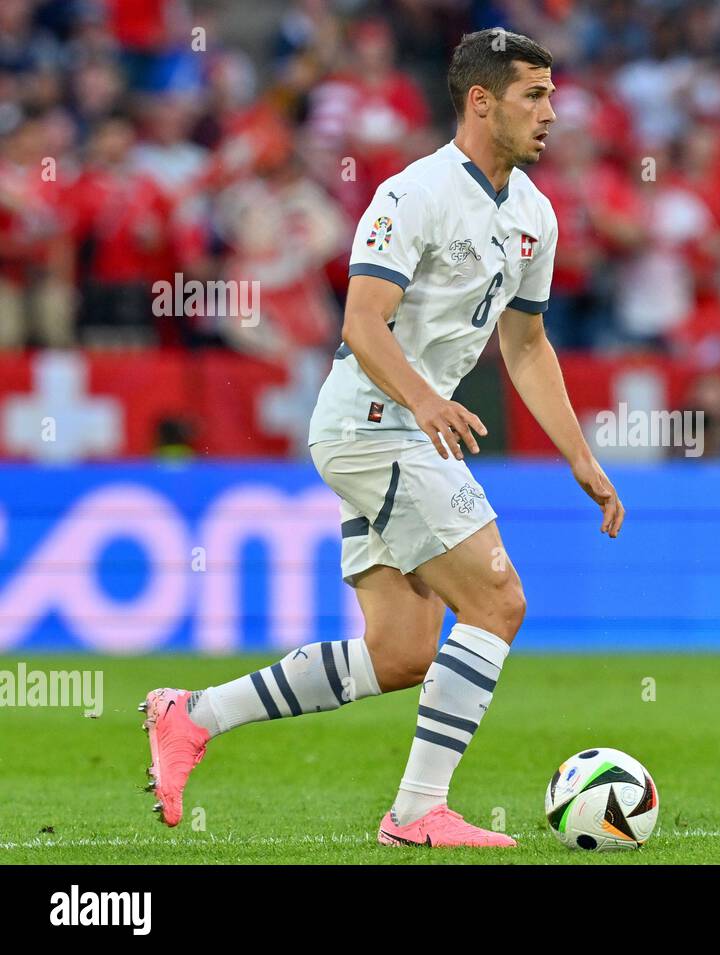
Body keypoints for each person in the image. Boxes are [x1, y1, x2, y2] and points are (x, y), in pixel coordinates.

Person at [139, 28, 625, 849]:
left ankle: (191, 715)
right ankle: (414, 812)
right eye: (533, 96)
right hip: (374, 424)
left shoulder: (535, 214)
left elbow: (527, 344)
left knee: (400, 653)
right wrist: (429, 400)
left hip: (404, 429)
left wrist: (581, 455)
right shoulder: (413, 194)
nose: (551, 112)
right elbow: (363, 323)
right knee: (499, 600)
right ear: (481, 101)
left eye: (552, 95)